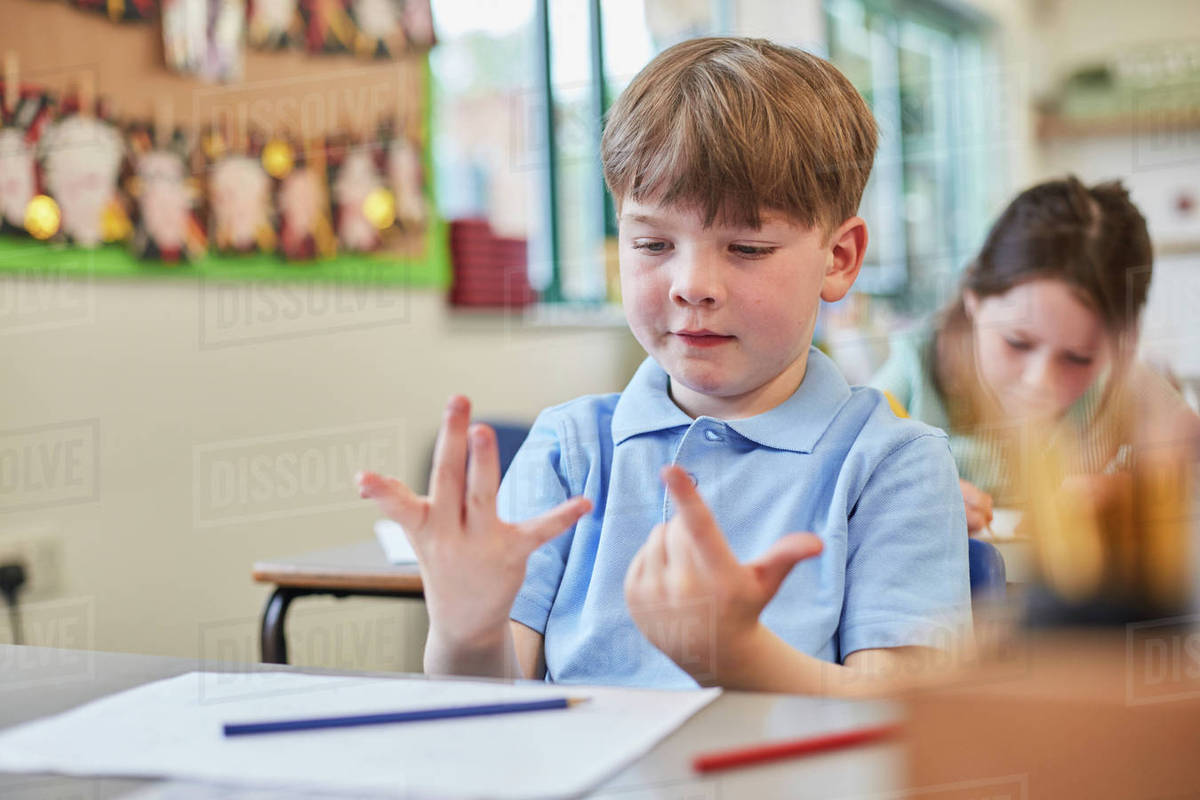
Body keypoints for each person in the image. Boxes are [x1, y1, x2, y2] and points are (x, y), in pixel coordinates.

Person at [358, 37, 971, 696]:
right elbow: (486, 705)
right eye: (653, 242)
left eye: (746, 246)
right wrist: (465, 631)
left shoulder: (892, 462)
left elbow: (905, 718)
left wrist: (736, 657)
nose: (692, 285)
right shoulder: (570, 450)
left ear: (840, 258)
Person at [870, 176, 1200, 533]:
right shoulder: (914, 375)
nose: (1039, 381)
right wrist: (905, 498)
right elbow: (836, 485)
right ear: (973, 299)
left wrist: (1135, 493)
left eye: (1078, 358)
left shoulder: (1126, 385)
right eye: (1017, 342)